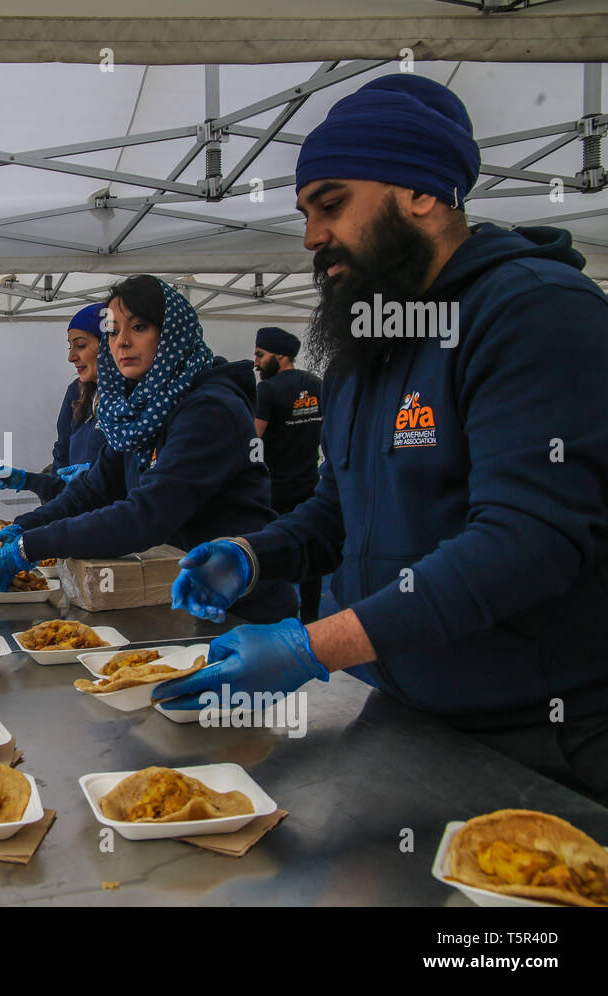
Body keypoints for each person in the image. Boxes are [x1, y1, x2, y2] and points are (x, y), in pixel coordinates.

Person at [161, 73, 608, 804]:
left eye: (331, 204)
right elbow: (338, 513)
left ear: (421, 191)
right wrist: (254, 553)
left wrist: (314, 645)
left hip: (543, 743)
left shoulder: (534, 311)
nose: (311, 238)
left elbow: (527, 542)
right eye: (305, 212)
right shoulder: (371, 340)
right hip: (406, 716)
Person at [0, 275, 297, 623]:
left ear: (172, 332)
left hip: (240, 605)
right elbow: (93, 490)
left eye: (140, 327)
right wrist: (24, 527)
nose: (122, 343)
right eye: (114, 332)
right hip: (184, 594)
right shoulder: (144, 410)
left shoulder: (210, 408)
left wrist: (34, 546)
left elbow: (146, 516)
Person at [0, 302, 108, 501]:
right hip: (77, 514)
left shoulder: (132, 403)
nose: (71, 357)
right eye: (70, 347)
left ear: (109, 345)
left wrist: (95, 476)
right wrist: (28, 481)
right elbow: (61, 461)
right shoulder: (77, 392)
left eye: (80, 345)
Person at [252, 326, 323, 622]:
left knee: (271, 554)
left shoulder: (267, 390)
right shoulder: (317, 384)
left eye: (260, 355)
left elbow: (254, 440)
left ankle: (278, 619)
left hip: (274, 491)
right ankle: (310, 618)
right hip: (309, 486)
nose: (255, 363)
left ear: (280, 355)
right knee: (313, 554)